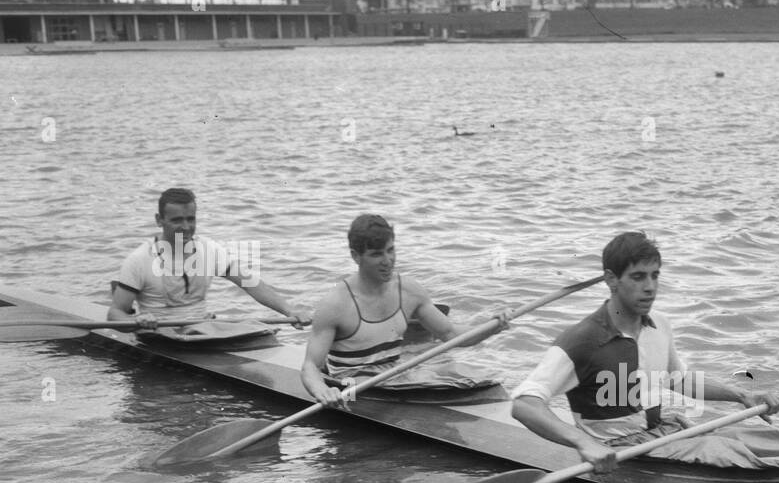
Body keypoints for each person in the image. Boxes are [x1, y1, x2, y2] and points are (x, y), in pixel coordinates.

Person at [510, 231, 779, 472]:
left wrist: (742, 396)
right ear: (611, 279)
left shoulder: (659, 324)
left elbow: (678, 380)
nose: (650, 287)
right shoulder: (581, 339)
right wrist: (584, 443)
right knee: (757, 459)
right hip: (620, 450)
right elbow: (525, 405)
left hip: (662, 430)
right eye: (638, 277)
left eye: (655, 275)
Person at [301, 213, 506, 408]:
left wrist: (490, 326)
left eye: (390, 250)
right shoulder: (334, 304)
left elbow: (450, 334)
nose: (387, 260)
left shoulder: (409, 291)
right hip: (350, 385)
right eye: (376, 254)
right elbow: (310, 367)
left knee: (456, 373)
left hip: (392, 379)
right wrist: (322, 390)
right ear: (356, 256)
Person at [108, 187, 310, 330]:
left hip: (201, 329)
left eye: (191, 219)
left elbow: (251, 284)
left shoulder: (209, 249)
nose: (186, 227)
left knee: (260, 331)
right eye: (177, 220)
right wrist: (137, 321)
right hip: (158, 334)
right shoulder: (139, 260)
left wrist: (290, 311)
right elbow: (115, 314)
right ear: (159, 220)